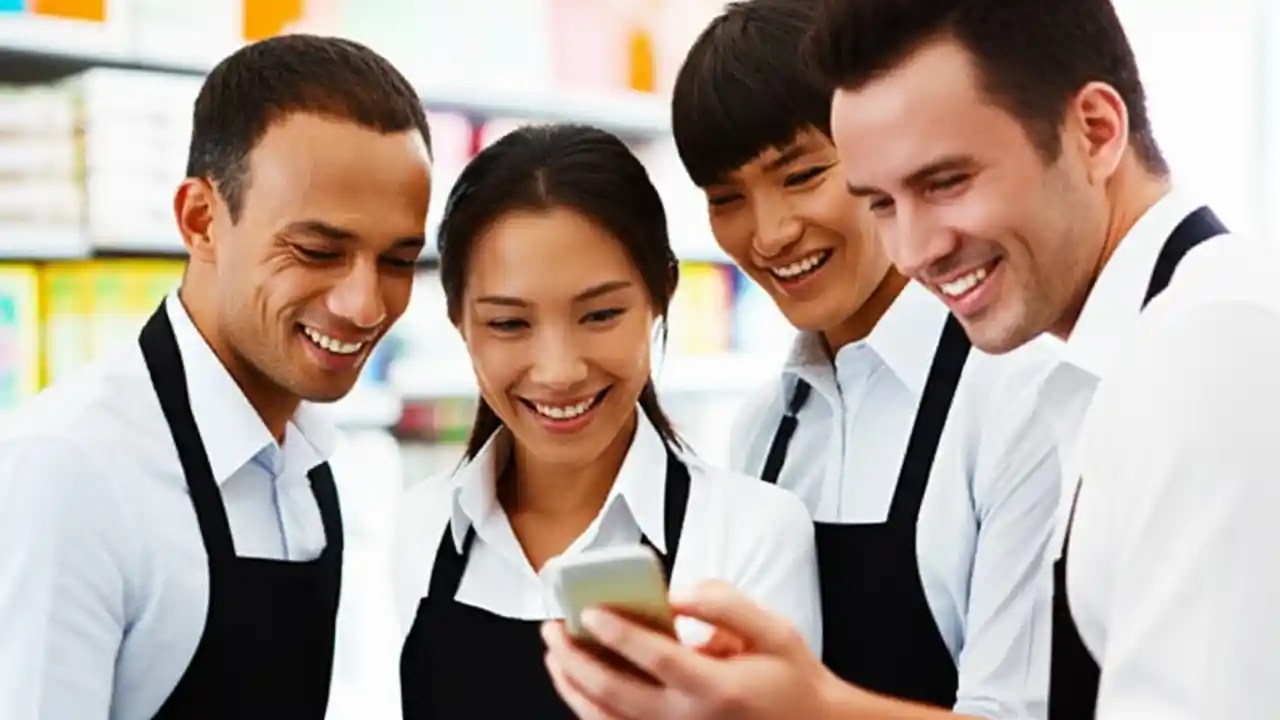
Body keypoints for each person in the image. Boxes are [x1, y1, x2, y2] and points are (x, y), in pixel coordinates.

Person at [543, 0, 1280, 718]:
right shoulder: (1119, 363)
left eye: (945, 182)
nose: (913, 251)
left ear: (1093, 131)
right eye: (884, 202)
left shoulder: (1207, 352)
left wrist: (813, 711)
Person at [550, 1, 1060, 717]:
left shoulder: (1018, 393)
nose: (770, 233)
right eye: (726, 197)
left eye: (801, 176)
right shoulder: (765, 428)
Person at [0, 35, 432, 719]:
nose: (366, 305)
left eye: (399, 261)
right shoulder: (71, 472)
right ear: (202, 221)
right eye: (318, 251)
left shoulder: (309, 458)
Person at [392, 123, 821, 719]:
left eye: (600, 315)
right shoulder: (421, 527)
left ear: (660, 294)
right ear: (459, 321)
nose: (559, 371)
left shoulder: (750, 535)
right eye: (510, 324)